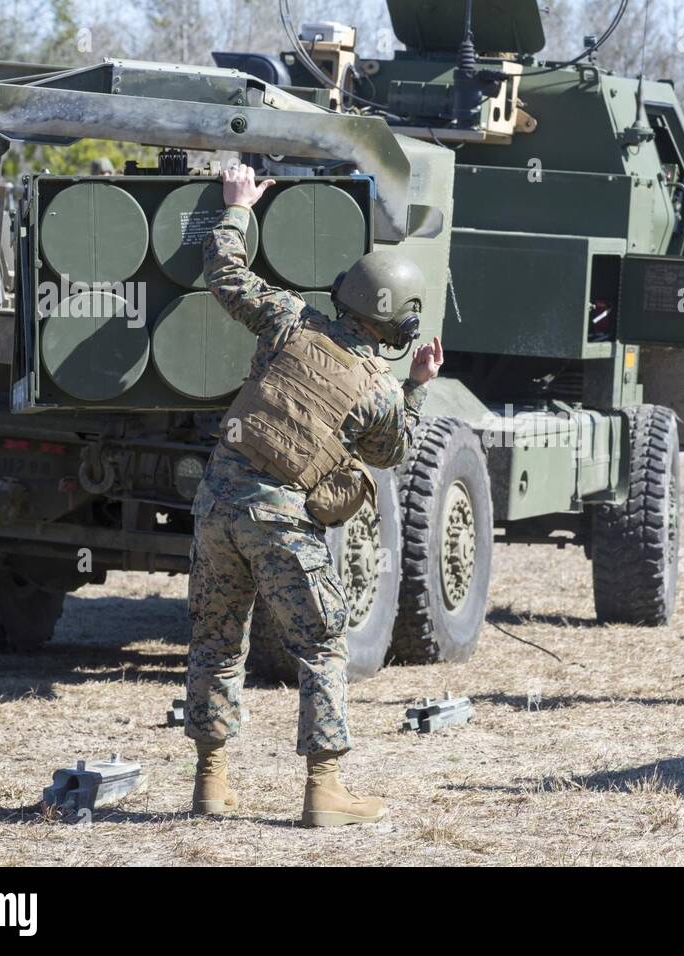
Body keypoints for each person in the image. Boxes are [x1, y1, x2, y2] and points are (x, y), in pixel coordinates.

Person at [184, 163, 442, 826]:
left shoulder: (290, 322)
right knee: (322, 647)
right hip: (281, 524)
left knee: (216, 642)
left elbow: (227, 276)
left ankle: (210, 786)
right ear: (396, 322)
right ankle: (324, 793)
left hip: (216, 504)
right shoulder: (380, 393)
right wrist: (415, 389)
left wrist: (238, 207)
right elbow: (392, 453)